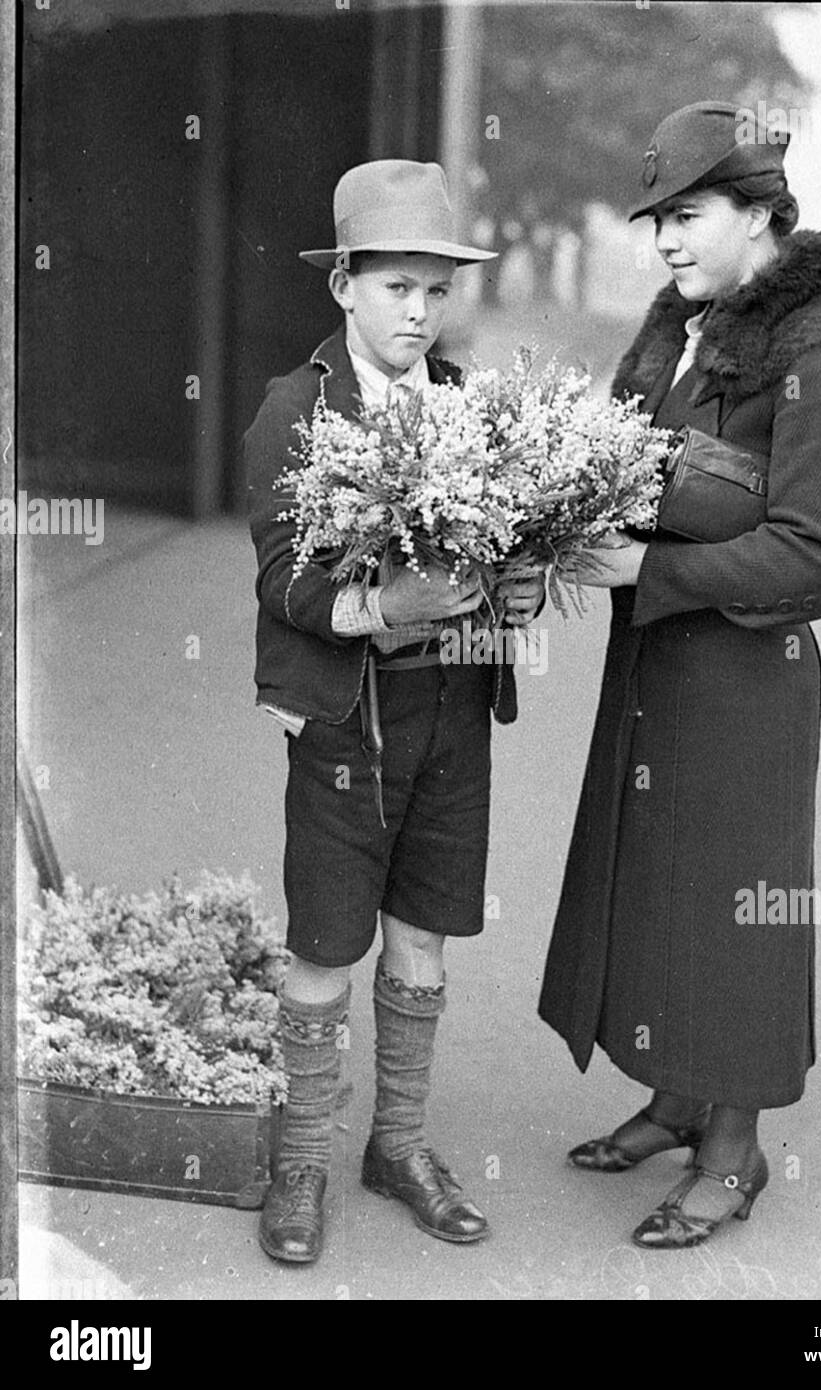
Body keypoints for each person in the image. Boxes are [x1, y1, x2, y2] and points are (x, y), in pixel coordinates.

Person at [538, 102, 821, 1248]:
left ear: (759, 214)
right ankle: (678, 1100)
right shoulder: (687, 330)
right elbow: (635, 466)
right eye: (657, 221)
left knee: (732, 912)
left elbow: (809, 549)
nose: (664, 242)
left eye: (685, 216)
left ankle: (732, 1154)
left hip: (745, 678)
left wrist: (645, 567)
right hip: (660, 667)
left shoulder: (816, 352)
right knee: (662, 885)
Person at [245, 160, 543, 1263]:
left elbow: (503, 547)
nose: (417, 314)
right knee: (325, 941)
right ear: (344, 290)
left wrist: (516, 586)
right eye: (394, 289)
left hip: (453, 709)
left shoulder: (466, 404)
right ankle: (301, 1163)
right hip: (345, 720)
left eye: (434, 290)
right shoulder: (297, 408)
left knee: (422, 933)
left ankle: (398, 1144)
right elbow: (283, 582)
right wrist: (382, 603)